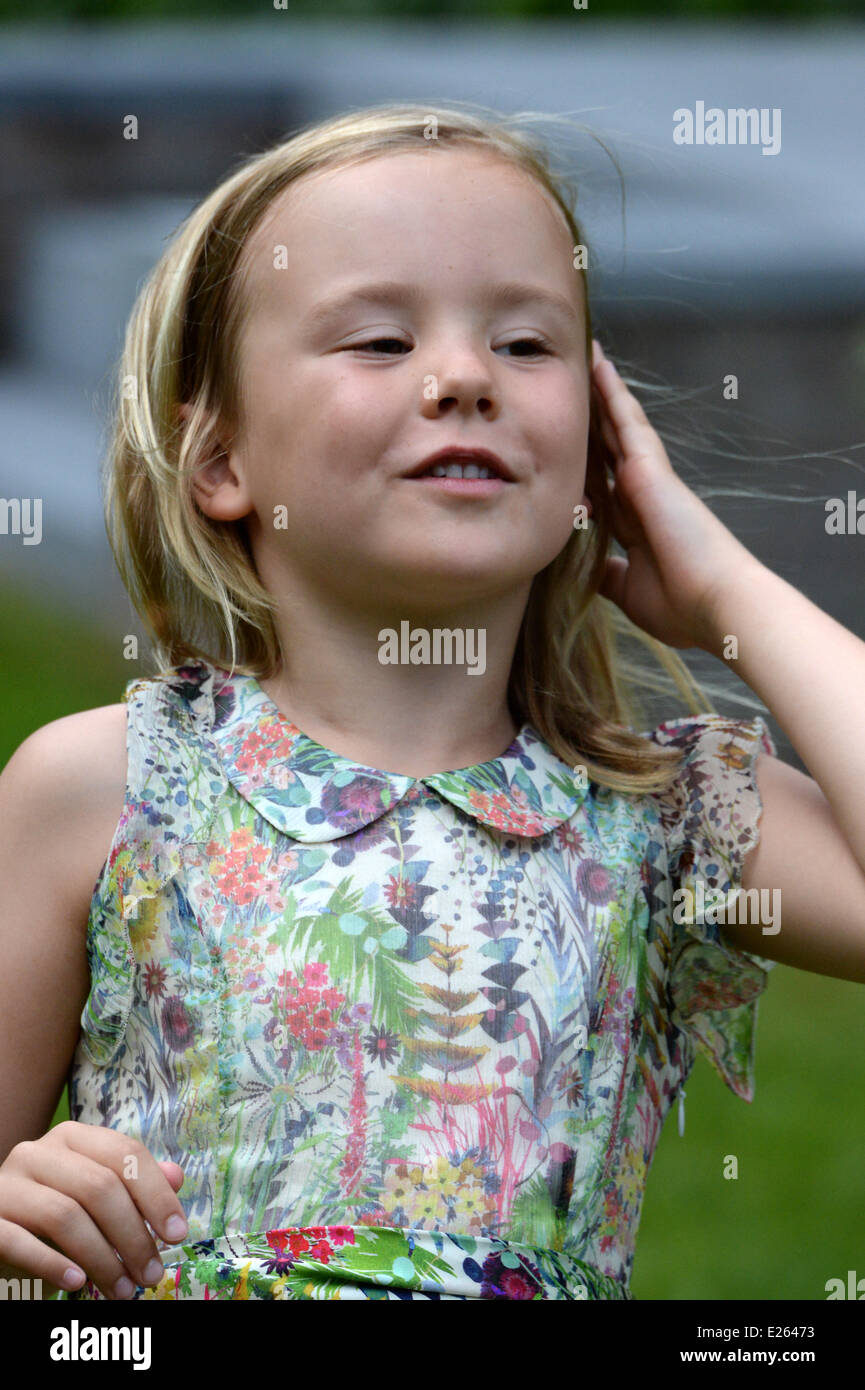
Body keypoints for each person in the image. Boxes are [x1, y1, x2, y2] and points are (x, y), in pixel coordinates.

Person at [1, 101, 863, 1303]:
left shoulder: (662, 815)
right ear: (220, 459)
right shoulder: (104, 787)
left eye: (524, 344)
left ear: (602, 446)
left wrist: (726, 588)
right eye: (376, 342)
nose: (462, 377)